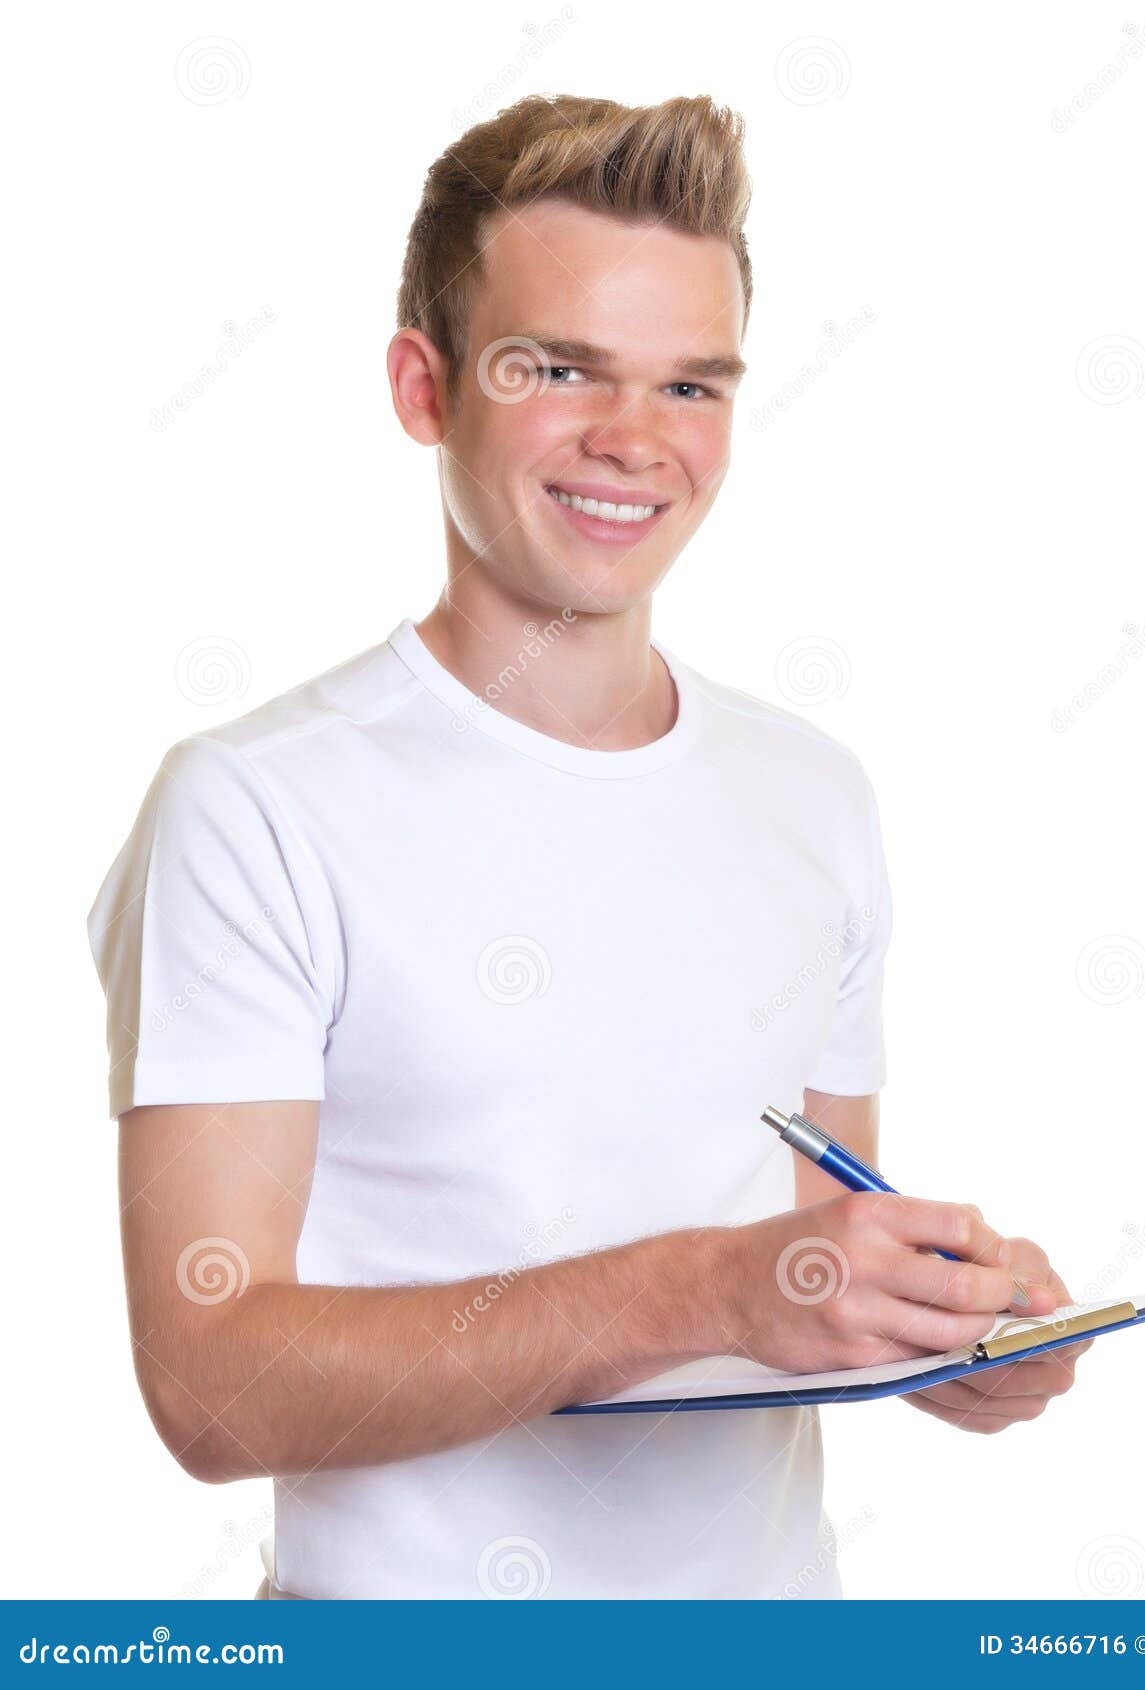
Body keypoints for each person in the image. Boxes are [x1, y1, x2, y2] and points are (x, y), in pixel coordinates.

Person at [87, 92, 1088, 1602]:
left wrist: (946, 1327)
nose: (635, 441)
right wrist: (696, 1285)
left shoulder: (814, 793)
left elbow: (813, 1240)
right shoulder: (252, 808)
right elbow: (212, 1386)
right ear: (426, 387)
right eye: (560, 369)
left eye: (693, 386)